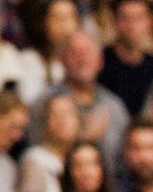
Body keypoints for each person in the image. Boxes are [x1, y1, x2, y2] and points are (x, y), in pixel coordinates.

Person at [46, 31, 131, 171]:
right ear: (62, 59)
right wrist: (84, 138)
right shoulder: (46, 102)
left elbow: (124, 162)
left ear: (100, 60)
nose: (82, 59)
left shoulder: (114, 106)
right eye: (75, 53)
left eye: (88, 52)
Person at [18, 91, 85, 192]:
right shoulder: (35, 159)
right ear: (45, 122)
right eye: (55, 114)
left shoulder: (84, 158)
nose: (62, 120)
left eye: (68, 113)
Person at [100, 0, 153, 119]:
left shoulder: (151, 65)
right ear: (114, 21)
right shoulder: (99, 62)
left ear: (149, 22)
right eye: (125, 18)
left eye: (138, 18)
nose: (132, 25)